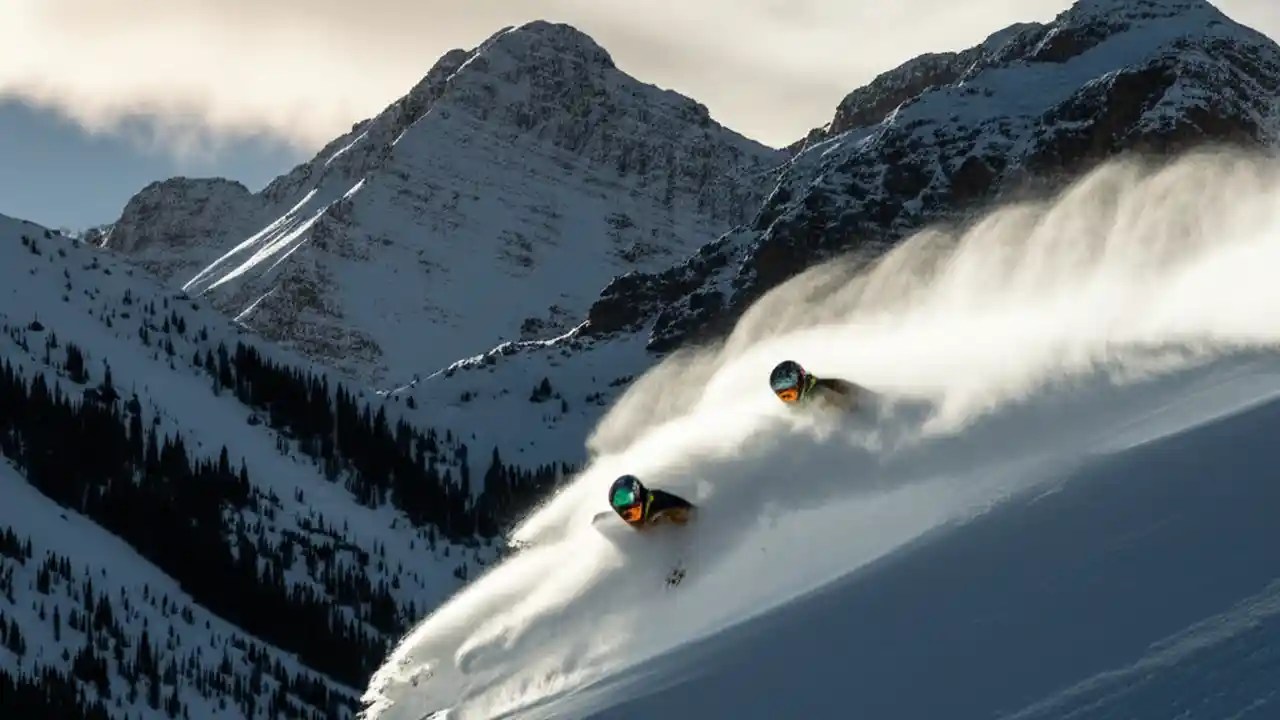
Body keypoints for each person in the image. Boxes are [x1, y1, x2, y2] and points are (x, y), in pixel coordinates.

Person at [606, 474, 695, 530]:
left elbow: (693, 519)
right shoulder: (609, 525)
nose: (632, 522)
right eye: (627, 517)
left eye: (634, 513)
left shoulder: (664, 506)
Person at [768, 359, 862, 412]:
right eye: (782, 397)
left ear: (800, 385)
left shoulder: (823, 395)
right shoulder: (801, 401)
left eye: (789, 395)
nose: (788, 400)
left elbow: (853, 411)